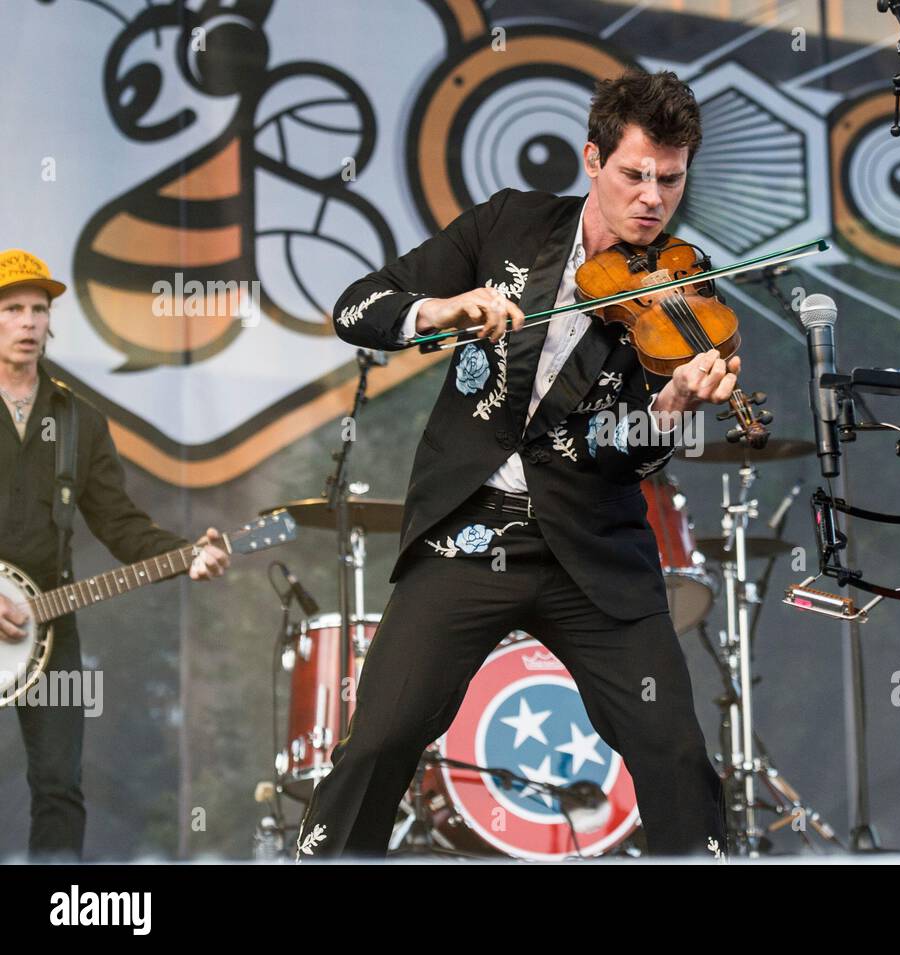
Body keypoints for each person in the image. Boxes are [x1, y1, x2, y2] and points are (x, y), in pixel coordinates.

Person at [296, 69, 736, 858]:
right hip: (469, 530)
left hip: (592, 547)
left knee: (673, 752)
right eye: (635, 174)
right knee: (378, 739)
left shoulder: (684, 290)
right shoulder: (508, 225)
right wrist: (441, 310)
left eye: (670, 179)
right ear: (592, 159)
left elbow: (616, 450)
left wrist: (666, 416)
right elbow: (356, 308)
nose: (652, 198)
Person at [0, 248, 230, 859]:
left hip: (50, 623)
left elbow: (120, 523)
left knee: (58, 787)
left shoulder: (80, 420)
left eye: (39, 310)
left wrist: (186, 553)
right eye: (12, 309)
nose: (28, 323)